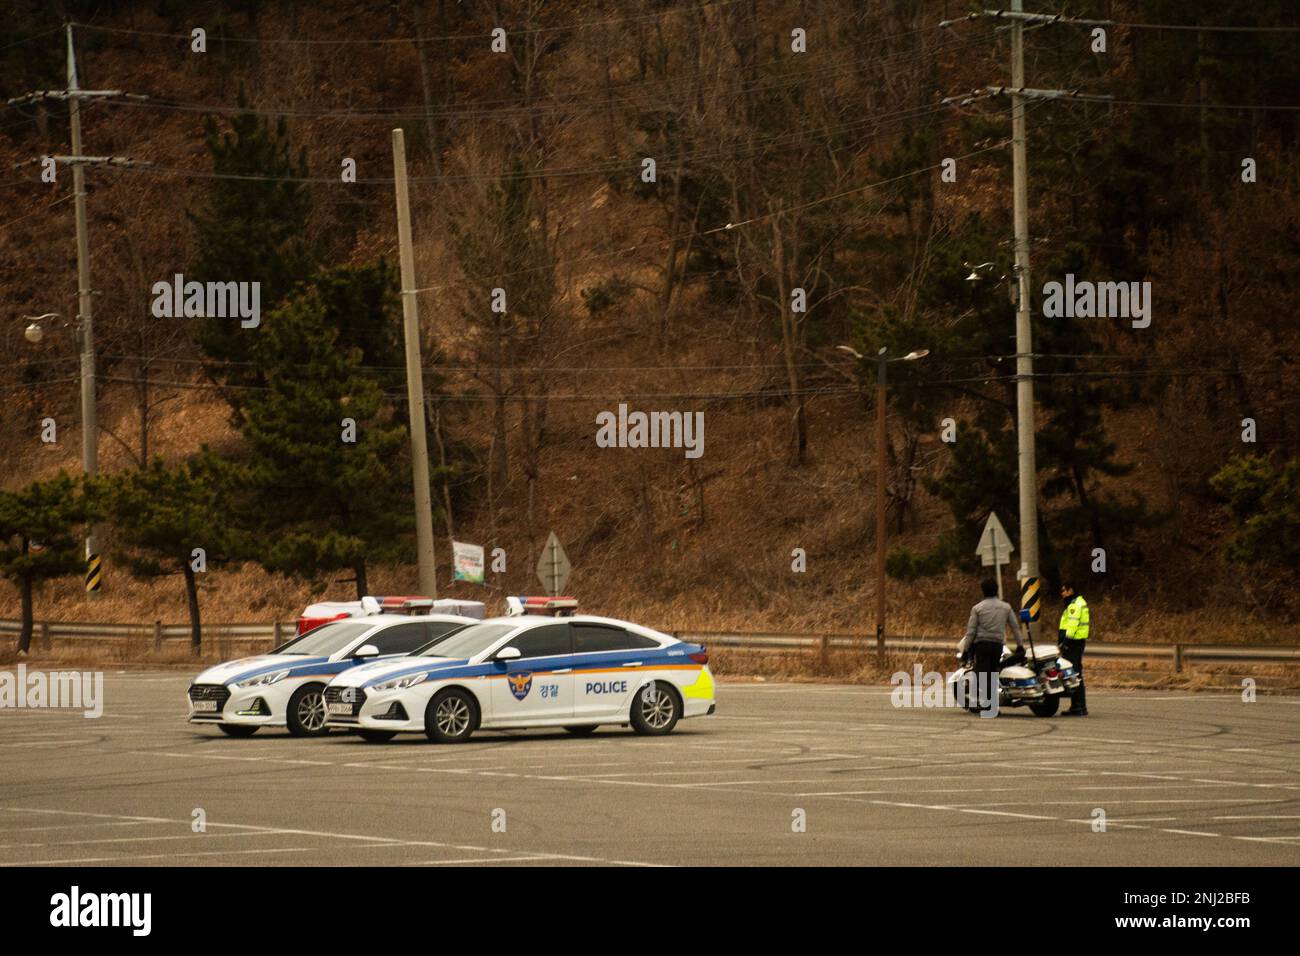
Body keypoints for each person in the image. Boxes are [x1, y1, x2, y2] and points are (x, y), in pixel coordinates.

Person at [958, 579, 1022, 715]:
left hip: (982, 645)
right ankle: (992, 705)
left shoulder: (977, 608)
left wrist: (965, 650)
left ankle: (988, 705)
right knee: (993, 674)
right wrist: (1020, 645)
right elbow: (1015, 627)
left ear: (983, 591)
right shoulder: (1006, 607)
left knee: (983, 674)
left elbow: (971, 632)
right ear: (997, 590)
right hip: (998, 645)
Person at [1057, 580, 1090, 716]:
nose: (1062, 593)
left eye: (1064, 590)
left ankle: (1077, 706)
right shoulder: (1080, 602)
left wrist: (1065, 642)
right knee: (1077, 673)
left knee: (1073, 674)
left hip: (1073, 643)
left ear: (1071, 591)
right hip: (1078, 642)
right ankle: (1081, 706)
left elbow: (1072, 625)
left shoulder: (1074, 605)